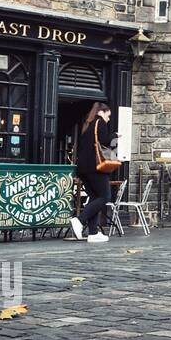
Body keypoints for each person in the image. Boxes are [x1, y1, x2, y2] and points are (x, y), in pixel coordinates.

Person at [71, 102, 115, 243]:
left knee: (96, 197)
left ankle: (93, 232)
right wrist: (115, 136)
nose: (108, 119)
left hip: (83, 168)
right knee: (105, 197)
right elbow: (105, 141)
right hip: (95, 167)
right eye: (108, 116)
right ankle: (79, 220)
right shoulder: (100, 123)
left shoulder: (88, 124)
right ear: (102, 112)